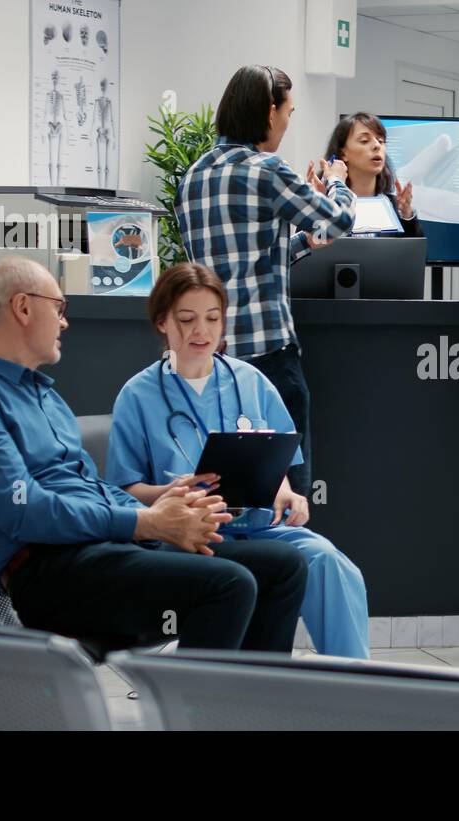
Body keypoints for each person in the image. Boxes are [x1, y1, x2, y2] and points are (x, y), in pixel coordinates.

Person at [0, 256, 308, 652]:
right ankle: (194, 712)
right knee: (229, 583)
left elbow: (91, 489)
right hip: (50, 571)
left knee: (283, 567)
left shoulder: (44, 396)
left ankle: (255, 705)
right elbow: (27, 512)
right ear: (23, 307)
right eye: (58, 308)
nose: (64, 322)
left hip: (102, 552)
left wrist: (167, 503)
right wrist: (146, 523)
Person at [105, 262, 370, 658]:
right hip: (189, 533)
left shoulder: (251, 381)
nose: (202, 331)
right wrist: (171, 491)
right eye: (188, 319)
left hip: (259, 526)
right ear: (162, 322)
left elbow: (275, 458)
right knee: (267, 569)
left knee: (331, 565)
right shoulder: (138, 395)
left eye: (213, 318)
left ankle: (356, 688)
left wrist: (287, 494)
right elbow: (124, 490)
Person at [175, 64, 356, 498]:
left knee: (226, 494)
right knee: (288, 494)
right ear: (270, 112)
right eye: (289, 112)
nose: (288, 124)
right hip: (269, 356)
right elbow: (339, 220)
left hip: (212, 356)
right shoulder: (266, 169)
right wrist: (336, 184)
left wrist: (300, 245)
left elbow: (235, 259)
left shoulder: (193, 177)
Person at [322, 112, 423, 238]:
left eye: (381, 141)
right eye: (364, 141)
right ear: (343, 154)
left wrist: (406, 214)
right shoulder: (327, 203)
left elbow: (415, 254)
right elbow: (307, 250)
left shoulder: (394, 206)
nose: (377, 145)